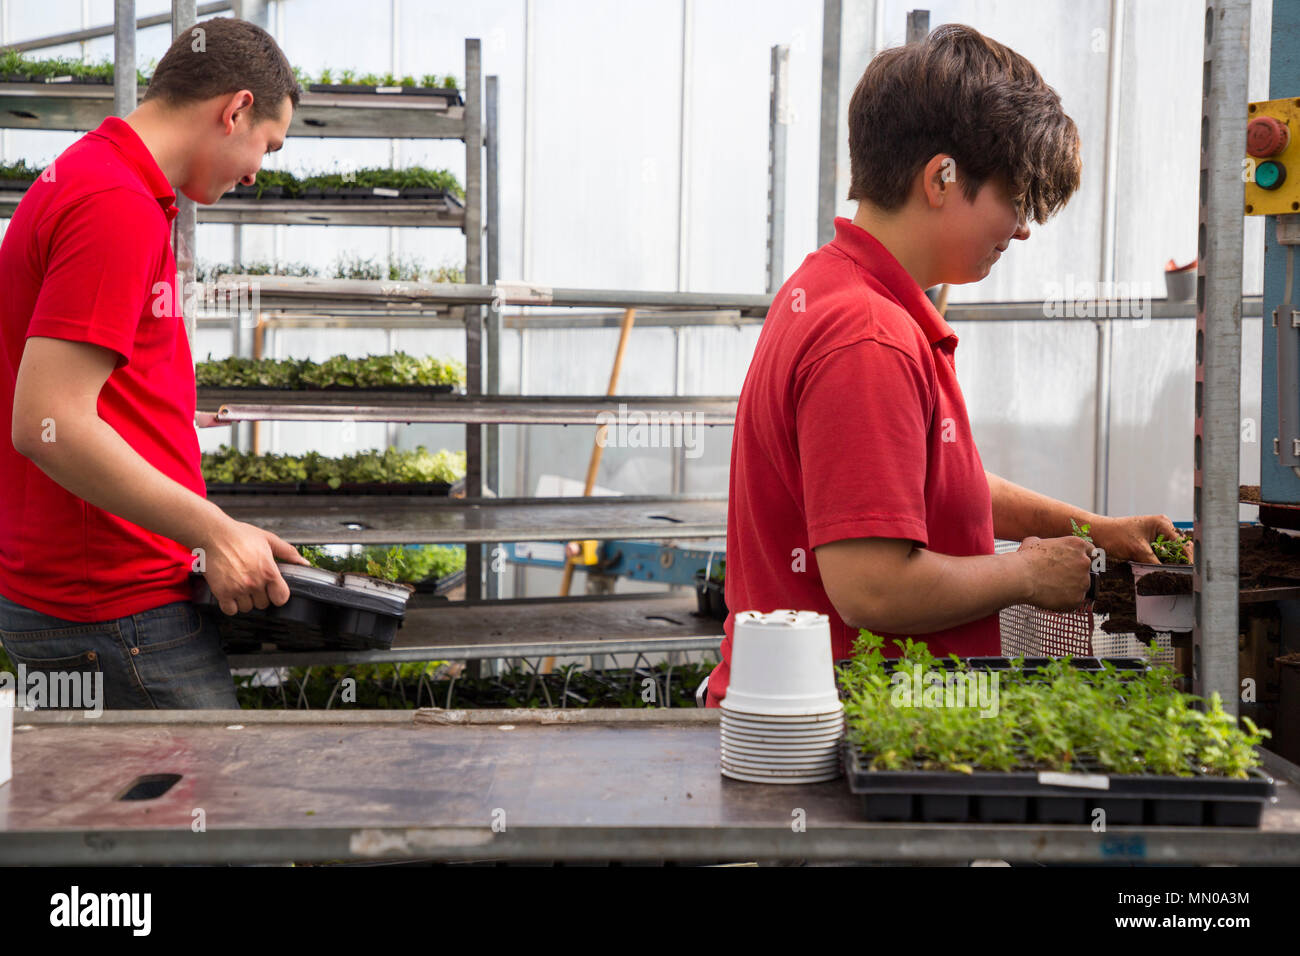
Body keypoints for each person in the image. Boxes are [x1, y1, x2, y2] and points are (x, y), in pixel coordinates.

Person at [705, 24, 1184, 707]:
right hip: (840, 741)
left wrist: (1092, 530)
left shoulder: (843, 292)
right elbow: (874, 586)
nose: (1021, 228)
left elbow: (922, 483)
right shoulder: (867, 338)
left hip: (850, 724)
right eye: (1015, 199)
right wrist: (1022, 575)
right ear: (941, 178)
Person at [0, 17, 310, 709]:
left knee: (101, 814)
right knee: (206, 810)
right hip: (115, 613)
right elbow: (48, 422)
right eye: (267, 145)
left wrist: (157, 409)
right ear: (235, 111)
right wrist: (216, 532)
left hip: (86, 602)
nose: (257, 171)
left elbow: (60, 378)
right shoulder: (116, 205)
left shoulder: (90, 174)